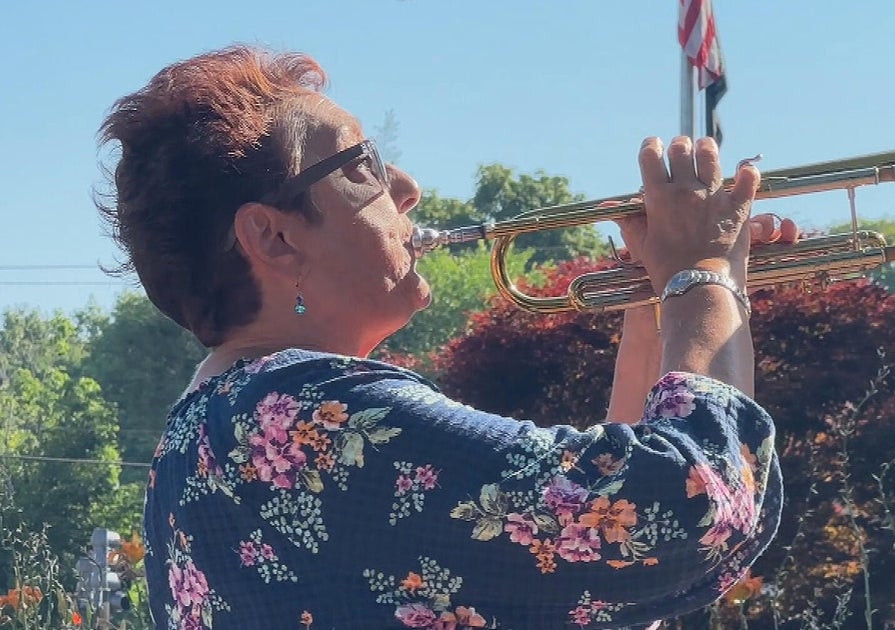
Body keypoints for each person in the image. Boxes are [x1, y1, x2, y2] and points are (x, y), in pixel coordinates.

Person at [98, 45, 796, 630]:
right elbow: (689, 504)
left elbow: (594, 564)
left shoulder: (214, 429)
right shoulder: (311, 417)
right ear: (274, 236)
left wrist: (653, 304)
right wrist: (702, 275)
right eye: (362, 165)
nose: (407, 186)